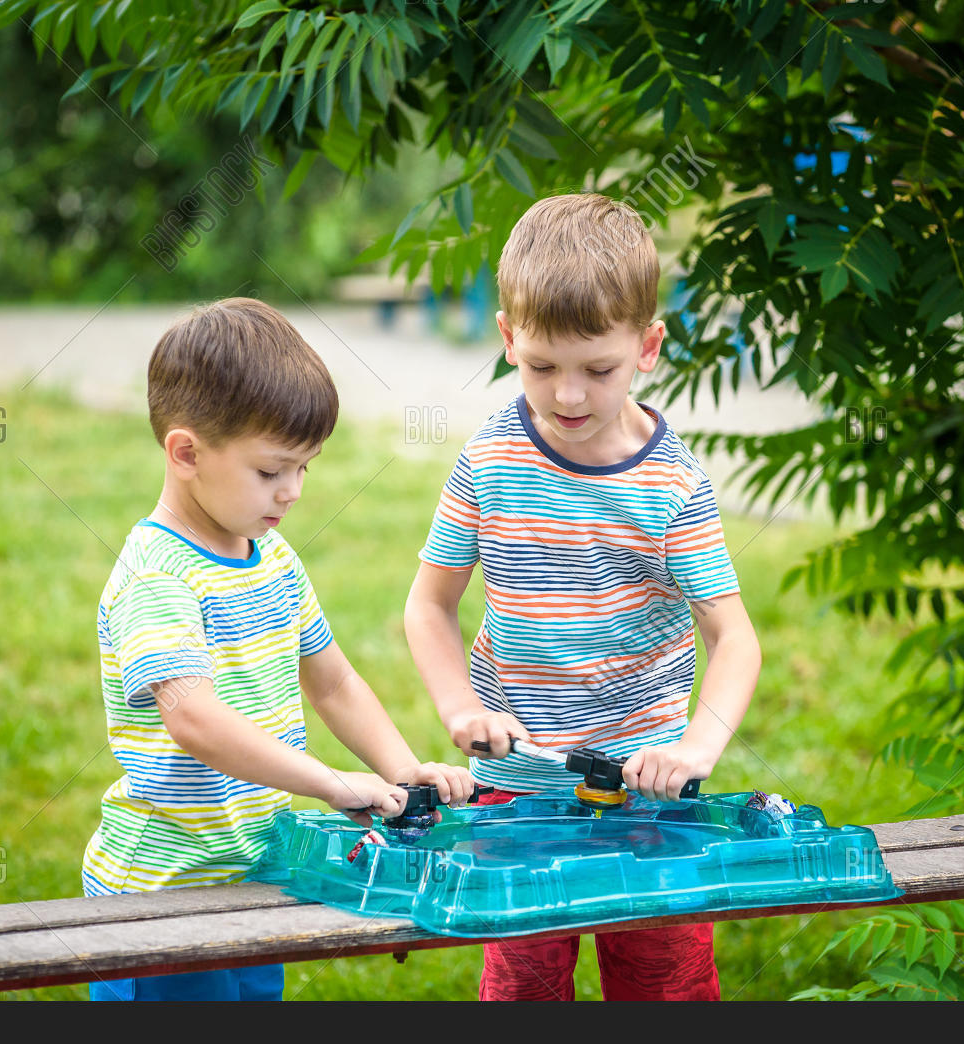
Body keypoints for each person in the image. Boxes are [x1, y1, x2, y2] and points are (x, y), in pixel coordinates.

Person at [404, 194, 763, 1000]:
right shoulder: (490, 459)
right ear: (506, 339)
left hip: (649, 791)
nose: (566, 395)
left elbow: (733, 637)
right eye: (540, 367)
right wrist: (462, 708)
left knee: (663, 986)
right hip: (517, 783)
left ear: (647, 347)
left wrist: (697, 749)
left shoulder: (673, 485)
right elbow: (429, 605)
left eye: (596, 369)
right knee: (524, 985)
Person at [85, 297, 472, 1001]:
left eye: (305, 467)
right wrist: (328, 781)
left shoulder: (273, 556)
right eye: (271, 471)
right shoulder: (158, 575)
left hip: (255, 870)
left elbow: (333, 683)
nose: (292, 490)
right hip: (164, 893)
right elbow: (192, 718)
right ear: (186, 452)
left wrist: (400, 769)